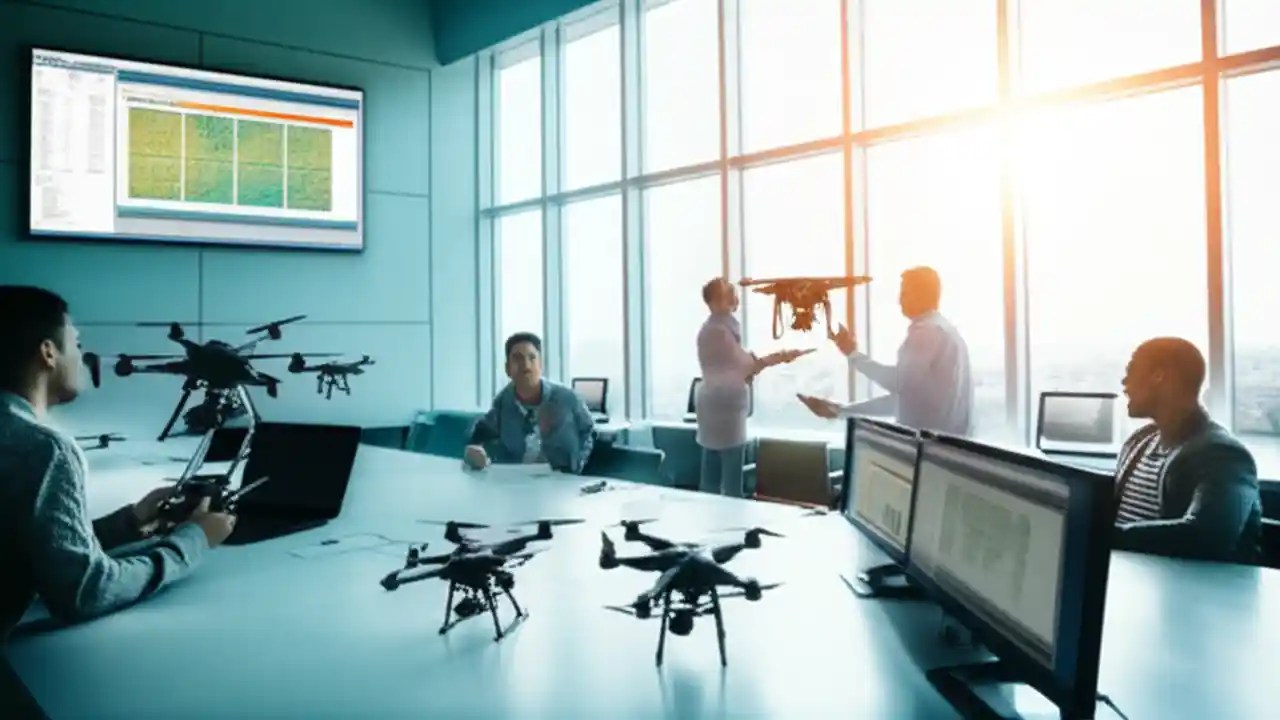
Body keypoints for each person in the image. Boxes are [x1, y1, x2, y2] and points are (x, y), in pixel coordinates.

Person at [0, 286, 235, 640]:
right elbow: (84, 592)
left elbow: (35, 550)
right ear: (48, 353)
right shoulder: (45, 450)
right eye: (76, 344)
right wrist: (195, 539)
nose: (82, 356)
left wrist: (131, 520)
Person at [1113, 337, 1261, 563]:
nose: (1124, 382)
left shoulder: (1223, 455)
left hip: (1194, 595)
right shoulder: (1139, 441)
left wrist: (1102, 536)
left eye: (1131, 371)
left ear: (1158, 376)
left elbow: (1207, 536)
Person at [797, 266, 973, 436]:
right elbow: (907, 400)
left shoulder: (926, 332)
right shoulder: (948, 332)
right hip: (944, 451)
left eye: (905, 293)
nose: (899, 300)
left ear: (922, 295)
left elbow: (899, 384)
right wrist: (841, 411)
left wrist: (853, 356)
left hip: (928, 451)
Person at [696, 278, 811, 497]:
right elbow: (747, 366)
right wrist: (778, 358)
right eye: (727, 293)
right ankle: (727, 525)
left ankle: (710, 520)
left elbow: (739, 364)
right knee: (729, 482)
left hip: (716, 407)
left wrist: (776, 358)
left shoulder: (716, 330)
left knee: (711, 476)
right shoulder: (718, 332)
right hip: (724, 410)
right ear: (713, 302)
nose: (733, 296)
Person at [464, 332, 595, 473]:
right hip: (518, 482)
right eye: (517, 359)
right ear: (507, 368)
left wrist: (577, 465)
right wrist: (474, 450)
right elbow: (481, 433)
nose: (526, 366)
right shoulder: (503, 401)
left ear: (540, 365)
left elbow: (589, 431)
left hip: (563, 480)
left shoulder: (567, 398)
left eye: (532, 358)